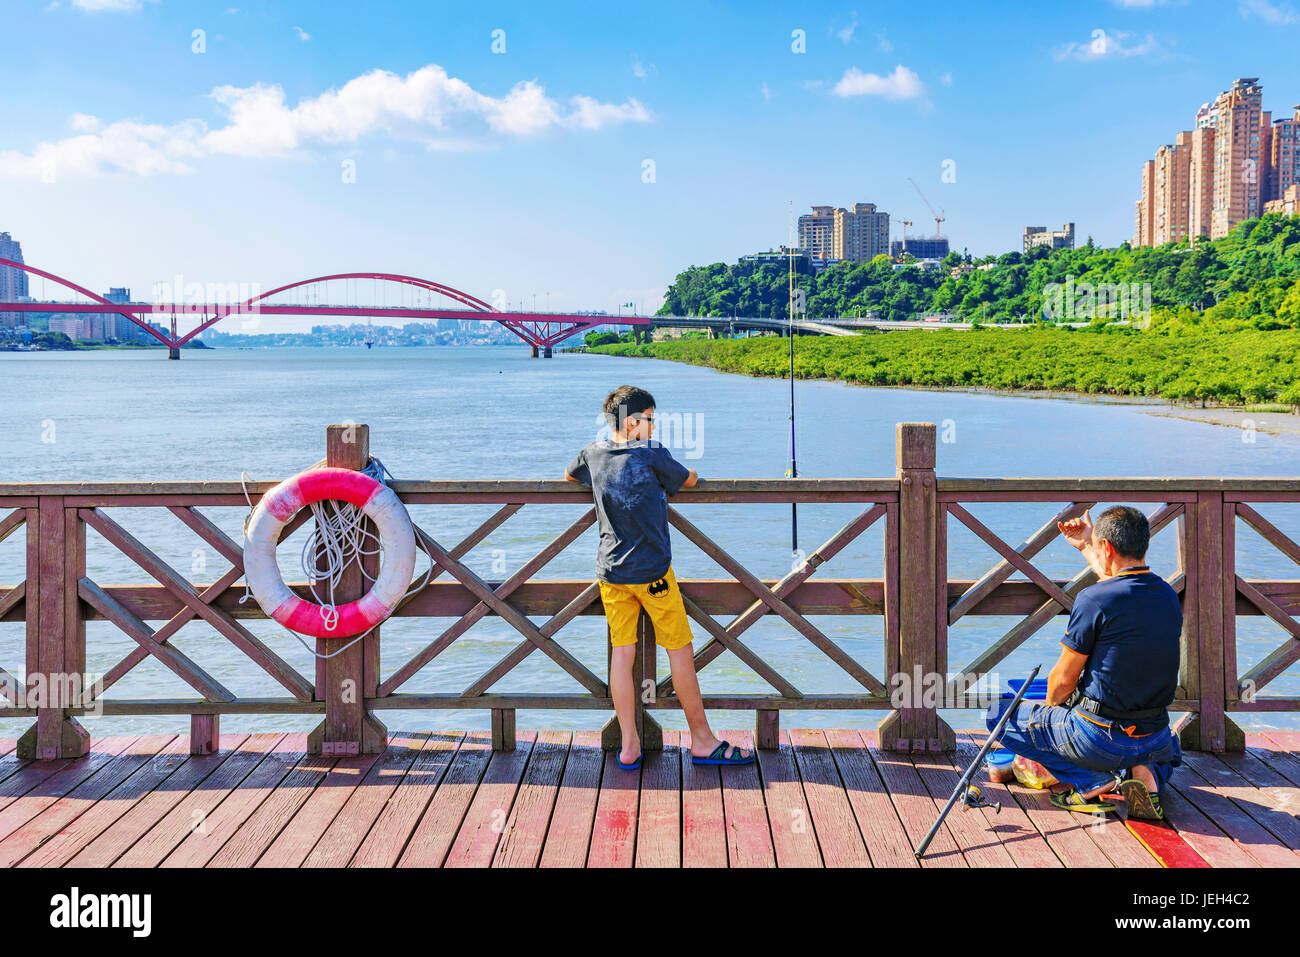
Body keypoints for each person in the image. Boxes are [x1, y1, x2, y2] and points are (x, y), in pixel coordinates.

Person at [565, 384, 755, 770]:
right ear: (633, 423)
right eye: (650, 420)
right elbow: (688, 480)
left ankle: (630, 745)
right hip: (653, 573)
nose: (654, 427)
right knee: (680, 650)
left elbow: (570, 476)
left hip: (611, 573)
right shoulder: (651, 454)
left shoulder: (593, 454)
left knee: (623, 653)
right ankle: (701, 740)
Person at [985, 505, 1182, 819]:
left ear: (1107, 547)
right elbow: (1119, 584)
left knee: (998, 714)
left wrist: (1051, 714)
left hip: (1100, 739)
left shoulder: (1093, 599)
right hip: (1155, 735)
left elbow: (1061, 682)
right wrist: (1089, 546)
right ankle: (1147, 775)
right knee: (1170, 751)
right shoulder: (1167, 595)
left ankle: (1089, 781)